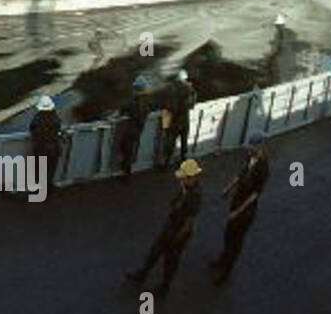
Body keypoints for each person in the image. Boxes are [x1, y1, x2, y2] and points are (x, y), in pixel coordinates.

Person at [126, 158, 204, 299]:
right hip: (171, 225)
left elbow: (188, 223)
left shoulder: (195, 196)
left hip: (178, 231)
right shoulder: (185, 189)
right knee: (155, 251)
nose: (181, 180)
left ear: (191, 177)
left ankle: (164, 286)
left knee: (171, 260)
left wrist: (177, 239)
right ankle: (142, 274)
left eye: (184, 178)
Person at [209, 137, 270, 284]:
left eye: (251, 147)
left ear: (259, 147)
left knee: (236, 241)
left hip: (246, 209)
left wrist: (238, 211)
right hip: (237, 202)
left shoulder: (263, 167)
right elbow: (241, 174)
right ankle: (223, 258)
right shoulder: (250, 158)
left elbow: (255, 194)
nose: (248, 150)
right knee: (228, 233)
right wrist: (229, 188)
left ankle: (226, 272)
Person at [115, 75, 153, 180]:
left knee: (126, 150)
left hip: (131, 129)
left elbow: (126, 109)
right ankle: (126, 171)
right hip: (138, 129)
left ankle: (126, 174)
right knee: (130, 150)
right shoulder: (146, 101)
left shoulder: (135, 101)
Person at [163, 69, 197, 167]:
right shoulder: (190, 89)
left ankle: (166, 164)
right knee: (184, 142)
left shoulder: (172, 89)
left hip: (175, 120)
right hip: (185, 120)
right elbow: (192, 105)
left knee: (171, 142)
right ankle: (183, 162)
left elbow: (169, 106)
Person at [29, 95, 64, 189]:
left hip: (42, 148)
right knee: (51, 169)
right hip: (55, 148)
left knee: (39, 170)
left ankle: (39, 190)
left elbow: (32, 129)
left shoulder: (38, 118)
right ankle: (49, 188)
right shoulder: (55, 117)